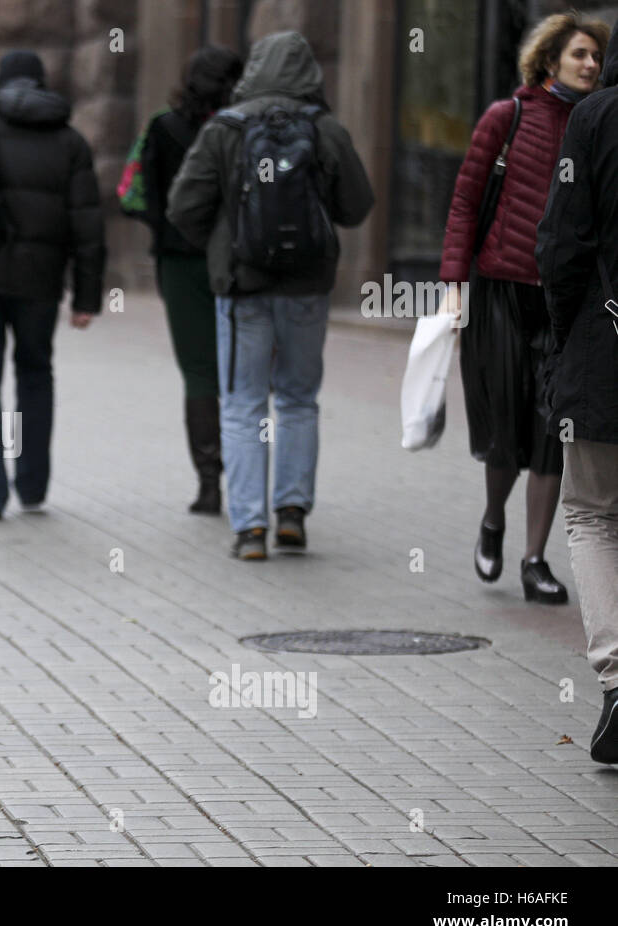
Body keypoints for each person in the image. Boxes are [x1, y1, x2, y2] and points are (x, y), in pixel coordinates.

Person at [167, 32, 373, 559]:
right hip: (307, 287)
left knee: (242, 405)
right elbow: (356, 206)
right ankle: (291, 516)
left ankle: (250, 529)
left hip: (241, 288)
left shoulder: (224, 129)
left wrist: (222, 246)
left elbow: (182, 205)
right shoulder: (324, 128)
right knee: (299, 399)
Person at [441, 12, 608, 603]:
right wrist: (452, 282)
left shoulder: (597, 124)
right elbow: (464, 201)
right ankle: (493, 518)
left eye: (596, 56)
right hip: (502, 291)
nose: (591, 65)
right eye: (580, 54)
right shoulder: (505, 116)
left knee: (550, 430)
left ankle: (534, 559)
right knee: (506, 423)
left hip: (566, 300)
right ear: (549, 59)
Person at [0, 50, 104, 518]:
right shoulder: (70, 141)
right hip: (39, 280)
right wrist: (87, 296)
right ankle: (32, 486)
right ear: (42, 83)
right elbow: (87, 226)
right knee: (35, 376)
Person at [536, 15, 618, 761]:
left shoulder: (593, 119)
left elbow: (563, 242)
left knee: (592, 515)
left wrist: (565, 333)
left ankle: (617, 682)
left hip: (602, 350)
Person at [125, 46, 242, 515]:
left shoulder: (163, 127)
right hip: (238, 261)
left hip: (178, 262)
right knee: (241, 373)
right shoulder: (243, 128)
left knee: (198, 372)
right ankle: (249, 479)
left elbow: (147, 199)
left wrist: (170, 234)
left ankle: (209, 483)